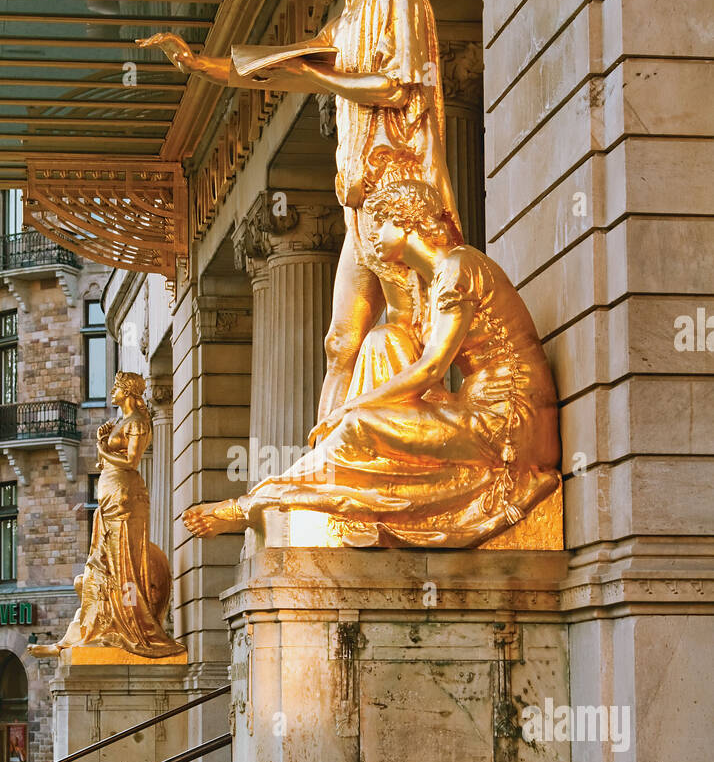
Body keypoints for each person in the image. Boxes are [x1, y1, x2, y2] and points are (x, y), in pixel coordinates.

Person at [136, 0, 461, 430]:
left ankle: (419, 440)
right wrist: (201, 65)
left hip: (399, 198)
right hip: (360, 202)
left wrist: (316, 76)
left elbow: (399, 87)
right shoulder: (341, 24)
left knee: (411, 327)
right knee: (340, 341)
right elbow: (280, 69)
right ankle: (323, 465)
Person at [183, 179, 561, 548]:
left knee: (360, 424)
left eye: (382, 223)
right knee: (382, 342)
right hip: (475, 410)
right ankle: (299, 494)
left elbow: (431, 369)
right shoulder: (430, 284)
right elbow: (411, 359)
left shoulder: (458, 268)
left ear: (408, 221)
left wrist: (351, 407)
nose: (374, 235)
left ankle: (261, 501)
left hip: (507, 424)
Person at [29, 372, 184, 657]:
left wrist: (102, 447)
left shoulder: (138, 422)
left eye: (116, 387)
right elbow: (108, 463)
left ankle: (131, 628)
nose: (112, 391)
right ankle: (80, 636)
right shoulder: (124, 422)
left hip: (125, 498)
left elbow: (130, 461)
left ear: (127, 391)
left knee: (120, 565)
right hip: (112, 496)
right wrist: (104, 442)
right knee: (101, 566)